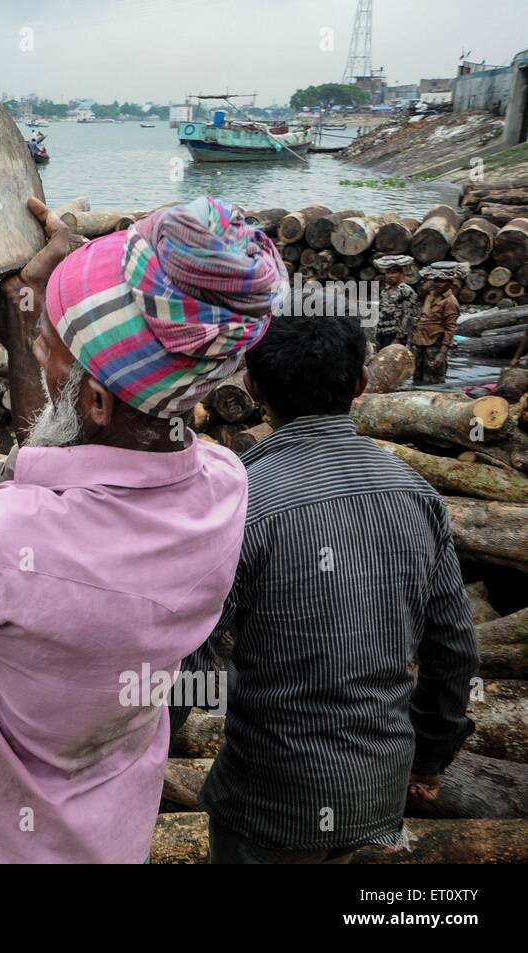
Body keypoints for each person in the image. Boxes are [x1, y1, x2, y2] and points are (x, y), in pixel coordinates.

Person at [0, 195, 277, 864]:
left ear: (94, 401)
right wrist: (25, 307)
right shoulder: (223, 484)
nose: (30, 350)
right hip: (113, 830)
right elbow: (64, 462)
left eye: (46, 349)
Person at [186, 311, 478, 864]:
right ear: (363, 384)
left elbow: (190, 660)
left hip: (270, 798)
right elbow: (454, 652)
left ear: (251, 387)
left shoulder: (239, 501)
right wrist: (431, 756)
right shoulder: (416, 495)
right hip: (376, 789)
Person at [412, 270, 461, 384]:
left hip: (435, 345)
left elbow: (451, 328)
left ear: (450, 283)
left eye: (442, 281)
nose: (438, 284)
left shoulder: (451, 302)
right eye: (436, 280)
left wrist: (442, 353)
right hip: (420, 342)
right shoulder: (431, 295)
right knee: (416, 378)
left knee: (434, 381)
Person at [373, 256, 419, 349]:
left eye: (393, 273)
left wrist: (399, 338)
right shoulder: (384, 291)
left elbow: (408, 316)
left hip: (396, 335)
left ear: (401, 274)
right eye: (388, 273)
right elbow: (380, 312)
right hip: (382, 332)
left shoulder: (406, 291)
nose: (390, 276)